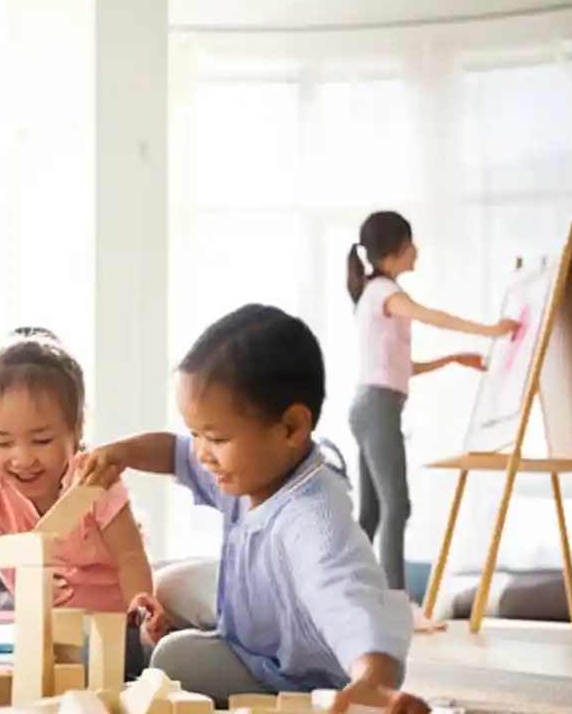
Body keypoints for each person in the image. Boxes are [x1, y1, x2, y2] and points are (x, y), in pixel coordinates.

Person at [78, 304, 429, 713]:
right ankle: (216, 630)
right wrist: (120, 453)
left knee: (172, 659)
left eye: (214, 437)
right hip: (263, 606)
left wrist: (373, 680)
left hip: (298, 671)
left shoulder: (313, 518)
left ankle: (335, 683)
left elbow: (348, 598)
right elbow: (174, 453)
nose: (202, 454)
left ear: (292, 428)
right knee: (168, 584)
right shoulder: (248, 467)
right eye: (196, 434)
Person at [0, 329, 166, 678]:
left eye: (42, 440)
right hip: (38, 629)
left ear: (76, 429)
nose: (22, 458)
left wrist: (141, 606)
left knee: (98, 664)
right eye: (2, 442)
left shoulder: (93, 479)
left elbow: (130, 556)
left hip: (107, 627)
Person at [346, 211, 518, 626]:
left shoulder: (375, 293)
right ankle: (397, 606)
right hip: (378, 408)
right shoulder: (386, 292)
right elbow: (433, 317)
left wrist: (454, 359)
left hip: (372, 404)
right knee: (396, 507)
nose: (417, 250)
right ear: (395, 250)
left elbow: (399, 366)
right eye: (411, 242)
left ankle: (347, 598)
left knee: (372, 513)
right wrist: (492, 330)